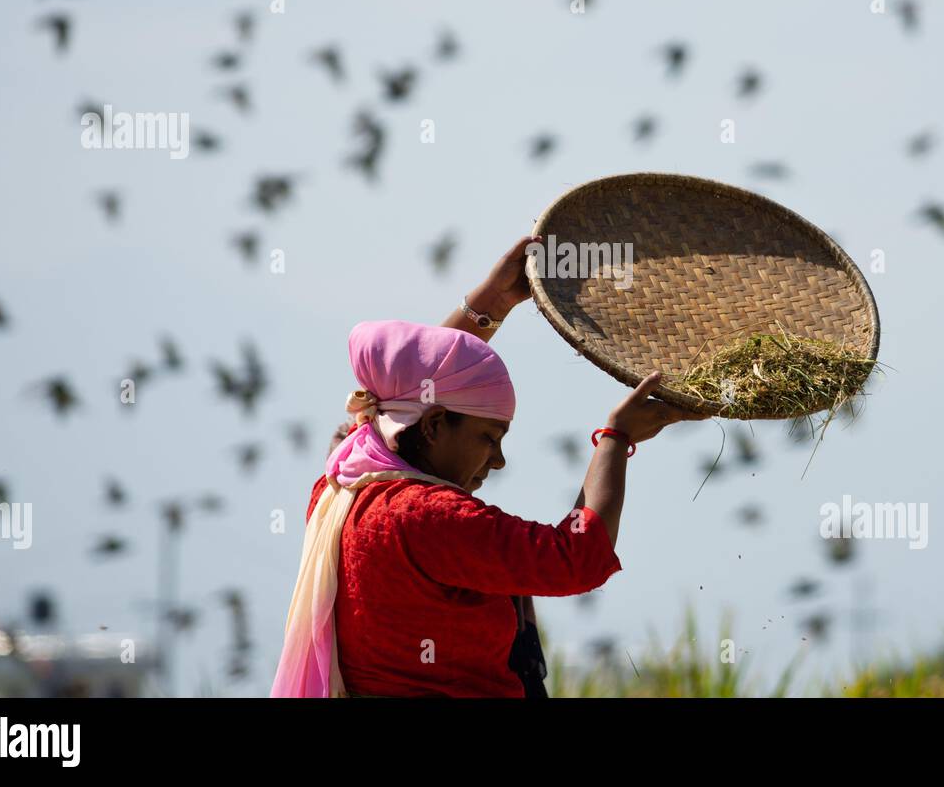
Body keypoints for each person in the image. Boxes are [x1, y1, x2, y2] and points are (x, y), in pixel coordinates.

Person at [270, 236, 706, 697]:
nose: (497, 462)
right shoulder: (428, 516)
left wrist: (492, 302)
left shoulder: (342, 482)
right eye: (489, 438)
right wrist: (615, 441)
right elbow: (575, 559)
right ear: (435, 425)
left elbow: (406, 389)